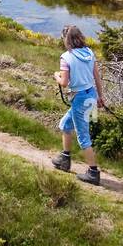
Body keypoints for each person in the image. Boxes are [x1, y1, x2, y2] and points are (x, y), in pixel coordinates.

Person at [51, 25, 106, 184]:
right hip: (91, 95)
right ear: (80, 36)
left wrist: (56, 76)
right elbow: (97, 77)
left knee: (83, 137)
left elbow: (64, 83)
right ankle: (65, 159)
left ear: (66, 39)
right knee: (66, 124)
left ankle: (93, 173)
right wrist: (100, 97)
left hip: (79, 99)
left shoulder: (65, 57)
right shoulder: (89, 53)